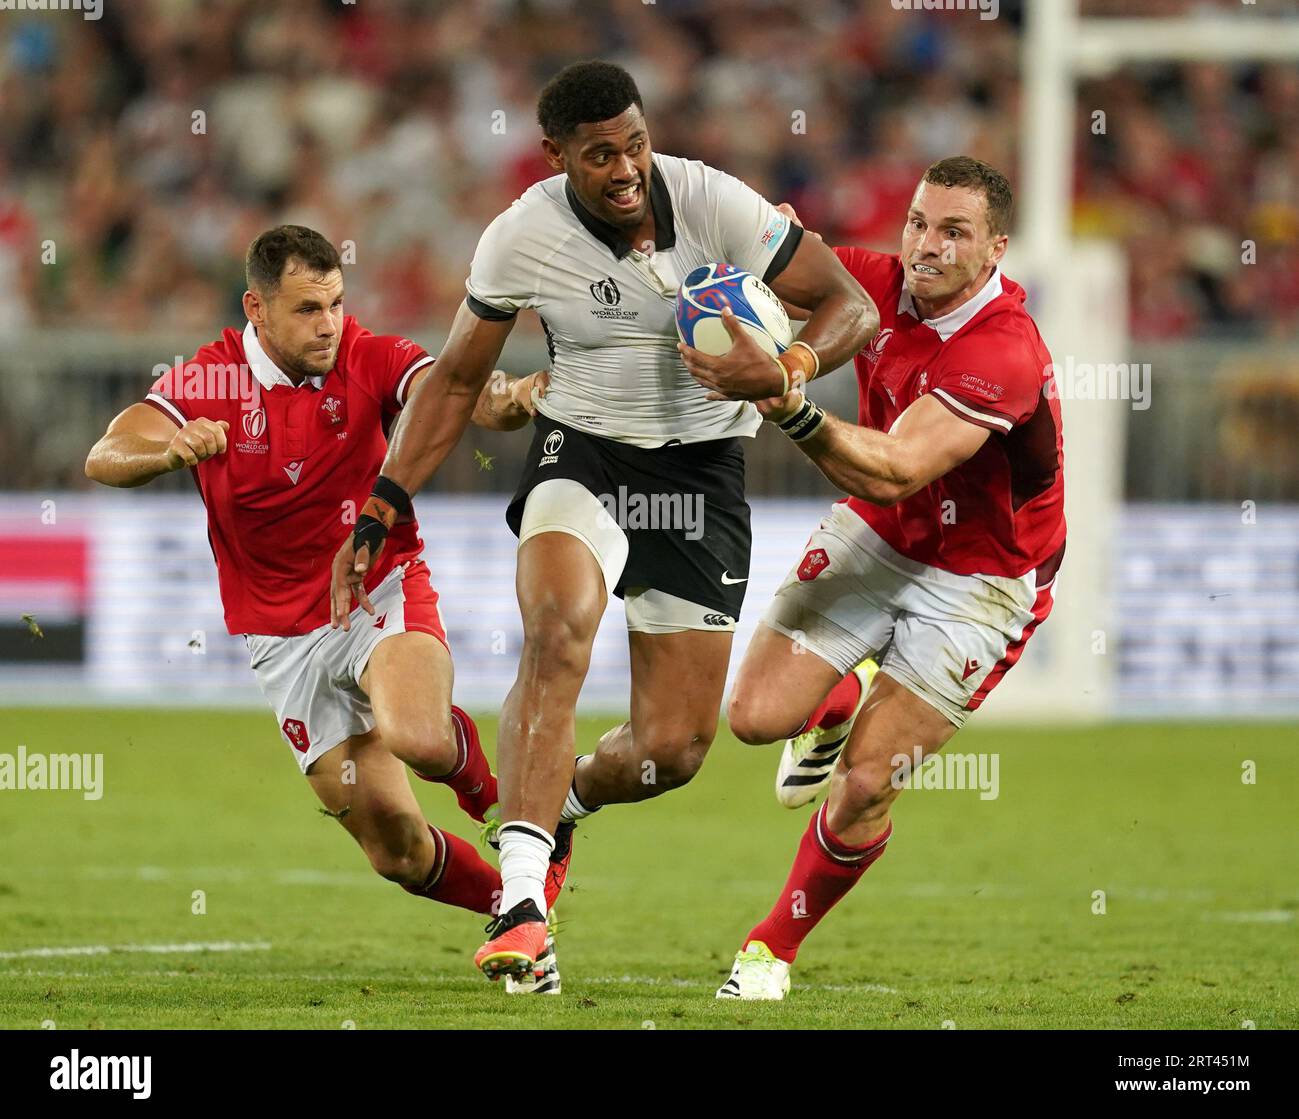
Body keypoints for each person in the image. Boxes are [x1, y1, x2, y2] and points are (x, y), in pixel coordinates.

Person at [328, 60, 878, 981]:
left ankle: (560, 808)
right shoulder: (521, 237)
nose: (624, 169)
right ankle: (522, 907)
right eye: (598, 157)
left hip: (701, 476)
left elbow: (848, 304)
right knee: (556, 633)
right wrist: (385, 502)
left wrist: (790, 366)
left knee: (674, 749)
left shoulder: (717, 203)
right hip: (581, 452)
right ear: (555, 157)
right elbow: (459, 380)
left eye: (634, 145)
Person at [84, 224, 564, 994]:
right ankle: (522, 916)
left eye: (337, 303)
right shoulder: (206, 381)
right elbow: (105, 453)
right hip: (280, 640)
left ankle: (522, 825)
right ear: (257, 309)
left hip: (378, 589)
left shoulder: (367, 356)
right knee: (397, 852)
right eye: (309, 308)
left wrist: (514, 396)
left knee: (415, 731)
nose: (330, 323)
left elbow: (459, 393)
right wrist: (166, 453)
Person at [685, 158, 1066, 1000]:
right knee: (753, 718)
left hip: (985, 578)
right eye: (919, 222)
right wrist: (744, 252)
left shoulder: (1001, 349)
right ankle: (834, 701)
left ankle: (770, 946)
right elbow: (766, 264)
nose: (926, 246)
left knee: (865, 783)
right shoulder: (874, 284)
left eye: (954, 231)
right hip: (882, 532)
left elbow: (894, 467)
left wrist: (785, 399)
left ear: (996, 247)